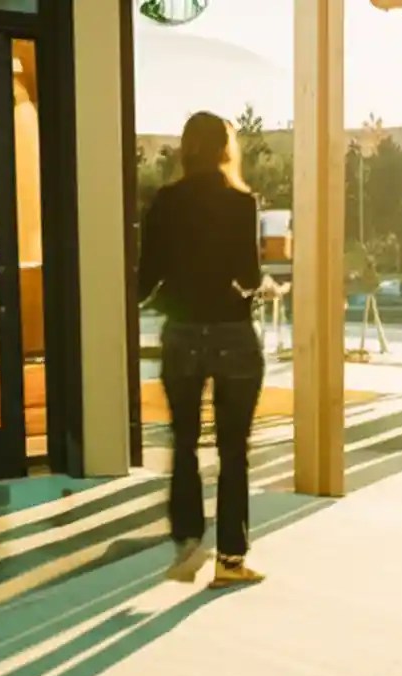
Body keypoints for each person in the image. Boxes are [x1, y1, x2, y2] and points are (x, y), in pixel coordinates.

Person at [139, 111, 266, 589]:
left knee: (185, 443)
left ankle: (189, 543)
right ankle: (230, 560)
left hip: (183, 334)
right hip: (233, 332)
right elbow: (248, 277)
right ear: (224, 148)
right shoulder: (241, 203)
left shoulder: (164, 203)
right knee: (234, 451)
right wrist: (261, 290)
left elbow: (144, 281)